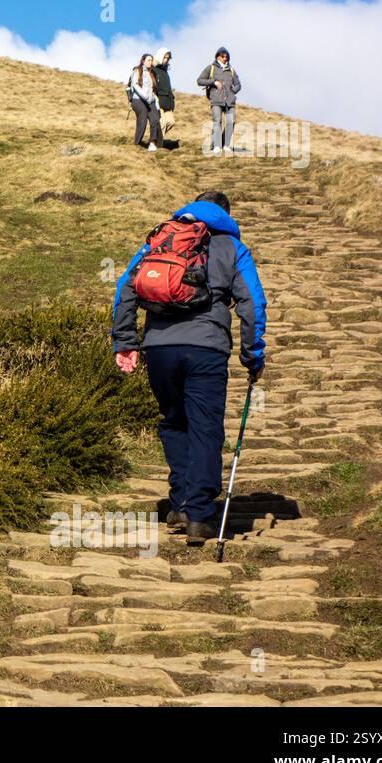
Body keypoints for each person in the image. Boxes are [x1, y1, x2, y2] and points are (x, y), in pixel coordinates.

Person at [110, 190, 267, 544]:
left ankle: (180, 500)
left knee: (174, 421)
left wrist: (125, 341)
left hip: (159, 349)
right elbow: (252, 302)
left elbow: (126, 287)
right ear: (225, 215)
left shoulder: (161, 239)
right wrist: (252, 354)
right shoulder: (232, 248)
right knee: (205, 427)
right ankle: (198, 514)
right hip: (206, 349)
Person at [197, 47, 241, 155]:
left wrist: (232, 91)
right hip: (216, 100)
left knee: (231, 122)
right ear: (217, 56)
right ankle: (216, 146)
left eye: (227, 56)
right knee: (218, 121)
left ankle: (226, 145)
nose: (225, 58)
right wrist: (213, 82)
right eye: (223, 56)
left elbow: (238, 85)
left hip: (230, 101)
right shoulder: (211, 68)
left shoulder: (231, 69)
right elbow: (199, 81)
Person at [127, 53, 162, 151]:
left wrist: (156, 103)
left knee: (155, 119)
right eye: (148, 60)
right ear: (143, 61)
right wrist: (144, 96)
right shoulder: (137, 71)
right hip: (138, 100)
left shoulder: (151, 74)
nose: (150, 62)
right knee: (142, 119)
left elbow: (152, 90)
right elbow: (135, 85)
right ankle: (137, 143)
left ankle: (152, 143)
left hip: (150, 101)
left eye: (151, 60)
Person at [152, 47, 175, 146]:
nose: (166, 60)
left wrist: (172, 101)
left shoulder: (165, 71)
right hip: (158, 101)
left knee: (171, 122)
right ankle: (157, 144)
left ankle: (157, 140)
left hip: (167, 103)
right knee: (162, 123)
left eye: (168, 58)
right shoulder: (153, 69)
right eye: (165, 57)